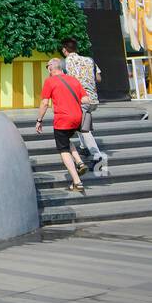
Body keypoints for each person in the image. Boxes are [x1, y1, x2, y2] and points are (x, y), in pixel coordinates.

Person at [36, 58, 89, 194]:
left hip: (63, 119)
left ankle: (77, 182)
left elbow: (45, 103)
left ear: (50, 68)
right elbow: (86, 99)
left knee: (63, 150)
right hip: (77, 118)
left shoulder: (49, 81)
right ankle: (80, 162)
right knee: (66, 140)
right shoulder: (73, 80)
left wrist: (39, 120)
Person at [61, 37, 109, 174]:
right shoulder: (90, 60)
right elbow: (98, 78)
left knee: (84, 129)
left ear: (64, 50)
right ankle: (83, 146)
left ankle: (97, 156)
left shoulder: (65, 63)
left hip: (79, 100)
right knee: (81, 124)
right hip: (93, 99)